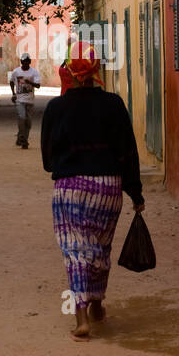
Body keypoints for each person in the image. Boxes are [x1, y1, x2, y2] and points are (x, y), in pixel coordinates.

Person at [39, 40, 144, 340]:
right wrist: (135, 193)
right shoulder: (114, 105)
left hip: (69, 189)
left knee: (75, 252)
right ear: (97, 69)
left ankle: (81, 318)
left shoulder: (56, 108)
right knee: (100, 247)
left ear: (69, 69)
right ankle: (98, 303)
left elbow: (48, 160)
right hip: (107, 189)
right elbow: (128, 152)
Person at [8, 53, 41, 149]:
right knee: (22, 117)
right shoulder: (16, 71)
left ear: (29, 62)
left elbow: (38, 85)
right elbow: (11, 81)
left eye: (27, 62)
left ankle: (22, 139)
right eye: (23, 62)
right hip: (19, 99)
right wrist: (13, 93)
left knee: (28, 122)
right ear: (21, 62)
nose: (25, 64)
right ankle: (23, 139)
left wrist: (29, 82)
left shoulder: (34, 72)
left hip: (30, 100)